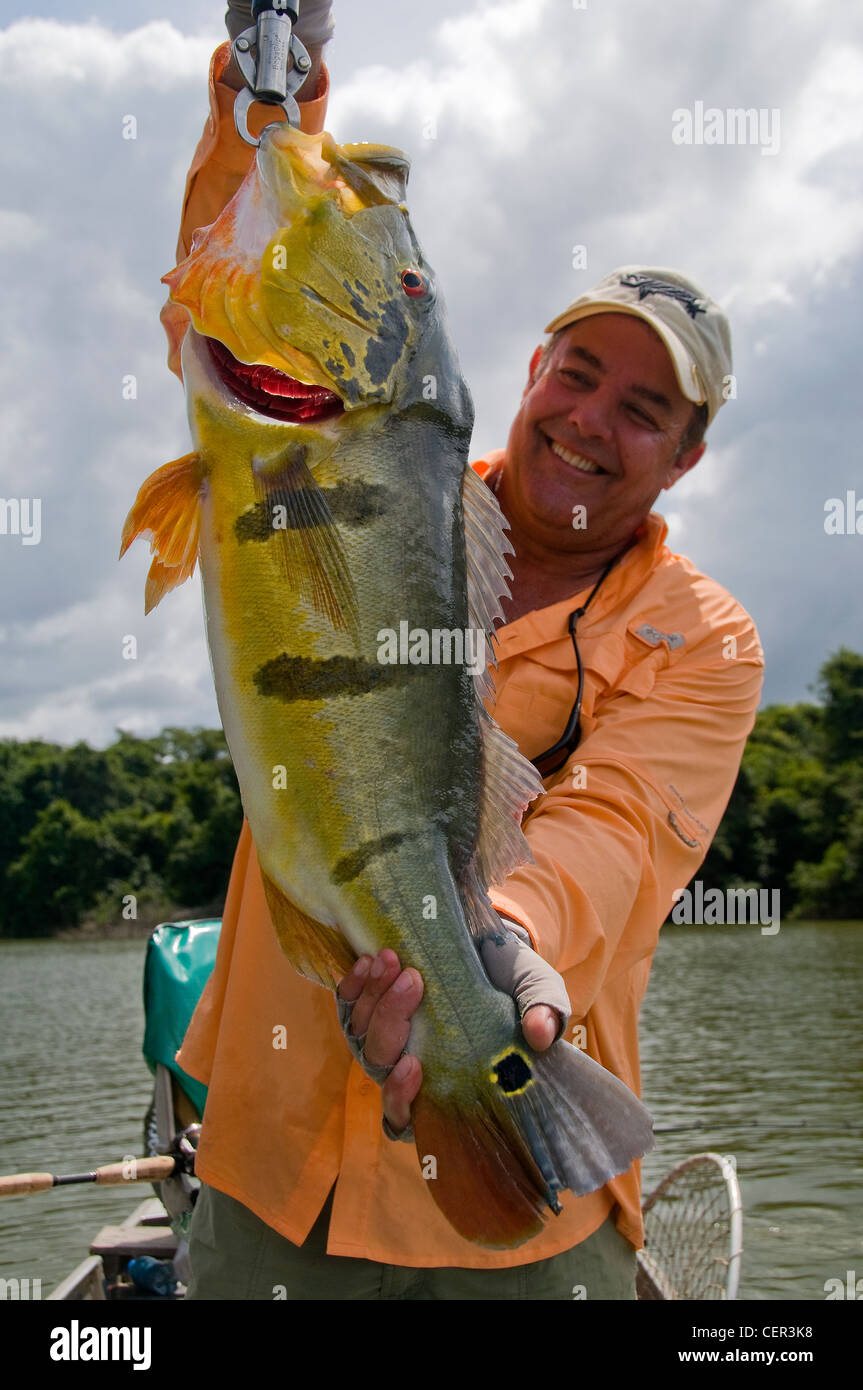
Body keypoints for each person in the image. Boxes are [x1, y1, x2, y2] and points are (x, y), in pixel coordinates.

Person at [165, 2, 764, 1299]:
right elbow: (232, 271)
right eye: (579, 369)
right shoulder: (374, 460)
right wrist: (271, 93)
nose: (593, 419)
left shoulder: (704, 638)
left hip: (522, 1207)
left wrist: (489, 938)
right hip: (270, 1171)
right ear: (534, 365)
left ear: (690, 453)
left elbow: (620, 831)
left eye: (645, 406)